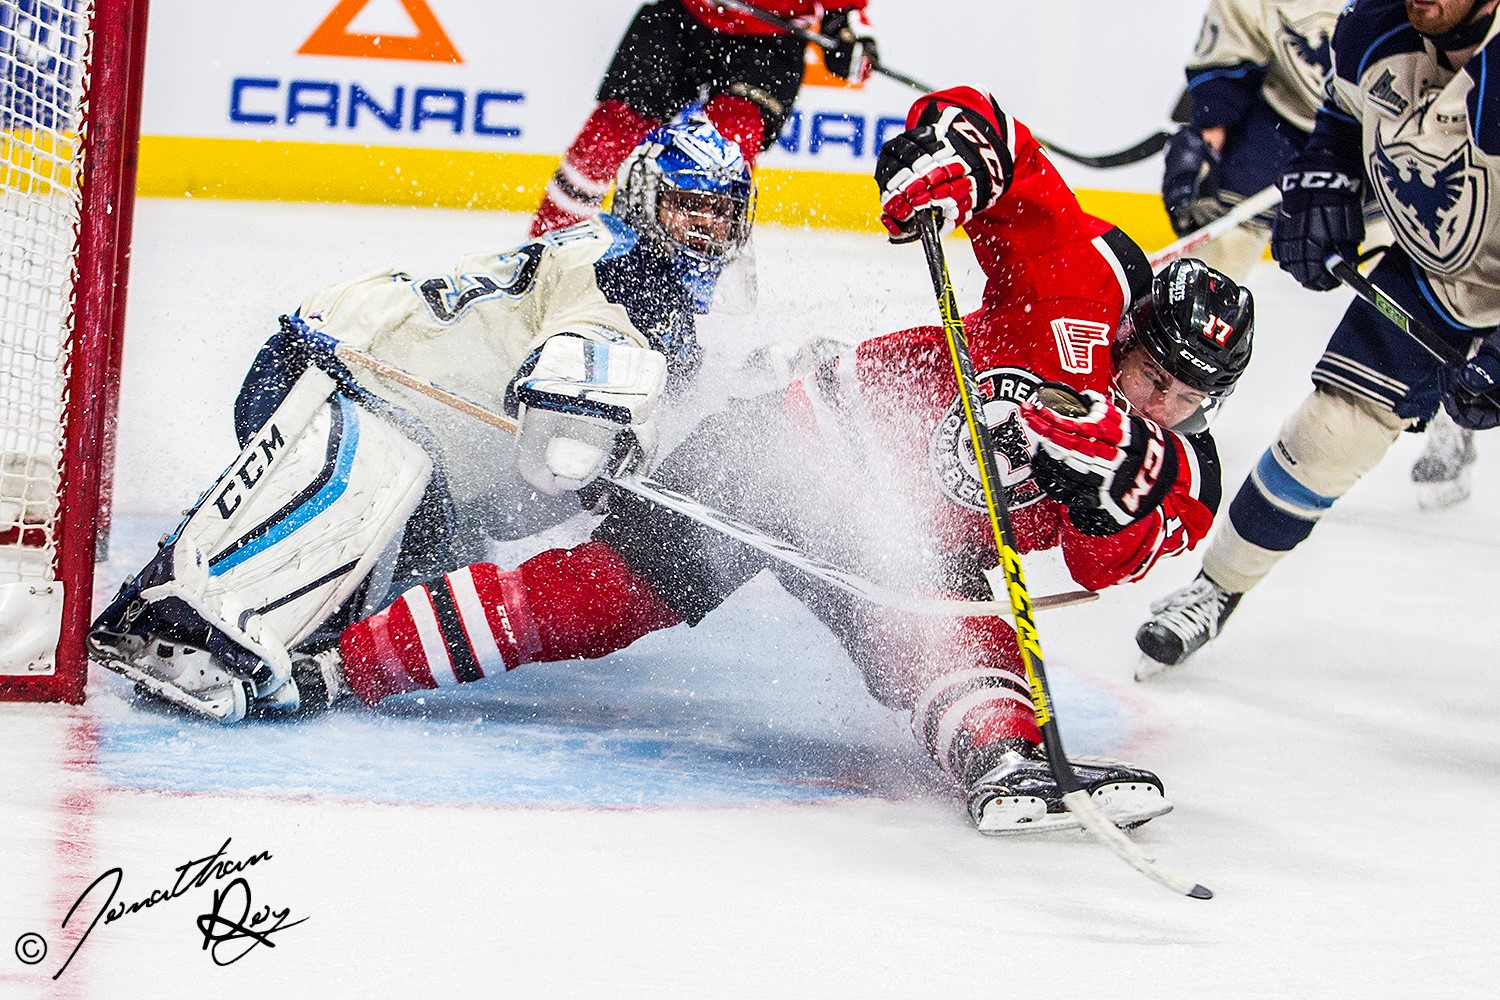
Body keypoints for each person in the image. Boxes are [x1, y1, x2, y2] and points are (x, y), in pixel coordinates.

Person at [296, 87, 1256, 836]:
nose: (1162, 404)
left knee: (956, 647)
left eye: (1190, 398)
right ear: (1130, 330)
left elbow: (1110, 561)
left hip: (908, 548)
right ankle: (339, 664)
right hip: (796, 440)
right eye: (1153, 373)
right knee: (600, 599)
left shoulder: (1177, 470)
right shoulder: (1078, 283)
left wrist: (1102, 488)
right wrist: (952, 151)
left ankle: (1002, 762)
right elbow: (997, 139)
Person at [87, 116, 756, 723]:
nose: (706, 226)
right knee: (314, 548)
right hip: (348, 379)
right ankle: (175, 615)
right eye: (688, 205)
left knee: (419, 570)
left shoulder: (652, 297)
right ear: (645, 199)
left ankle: (206, 599)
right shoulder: (631, 272)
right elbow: (576, 366)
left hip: (385, 409)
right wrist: (587, 436)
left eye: (721, 213)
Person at [1135, 0, 1500, 670]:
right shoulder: (1373, 28)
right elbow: (1341, 113)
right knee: (1331, 431)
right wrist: (1322, 179)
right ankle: (1217, 588)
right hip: (1432, 272)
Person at [1166, 0, 1479, 506]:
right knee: (1207, 275)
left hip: (1390, 139)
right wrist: (1205, 138)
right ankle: (1166, 399)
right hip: (1282, 127)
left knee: (1410, 295)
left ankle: (1447, 409)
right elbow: (1229, 59)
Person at [529, 0, 876, 237]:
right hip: (683, 12)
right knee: (612, 129)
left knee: (726, 154)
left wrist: (846, 27)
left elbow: (846, 19)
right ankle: (546, 251)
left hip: (770, 39)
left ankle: (688, 280)